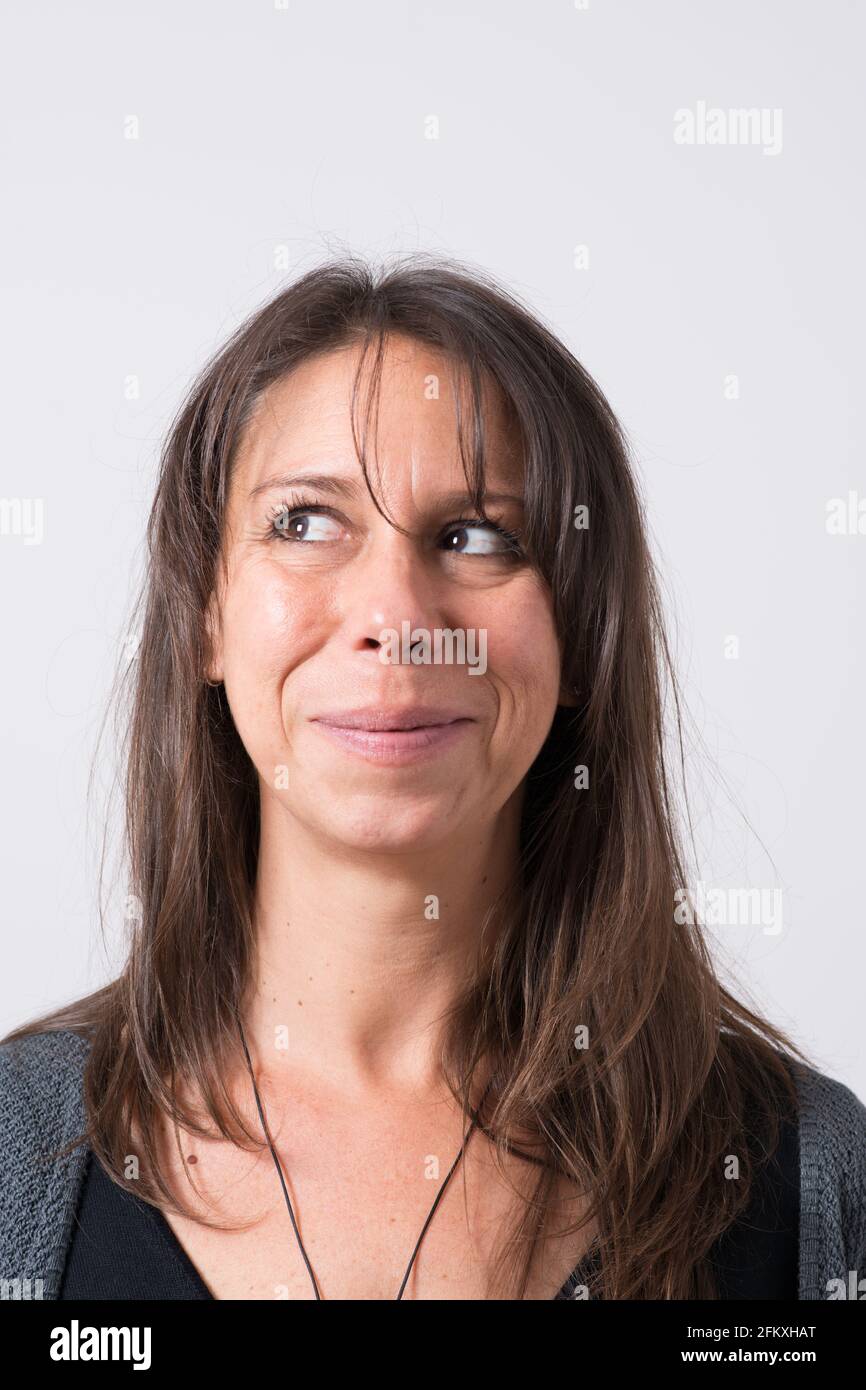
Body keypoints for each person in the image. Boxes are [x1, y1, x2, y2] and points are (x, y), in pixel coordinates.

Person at [2, 254, 865, 1300]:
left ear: (581, 639)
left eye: (476, 536)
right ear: (205, 619)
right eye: (304, 522)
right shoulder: (18, 1154)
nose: (397, 620)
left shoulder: (805, 1180)